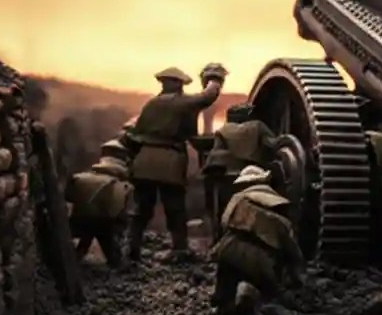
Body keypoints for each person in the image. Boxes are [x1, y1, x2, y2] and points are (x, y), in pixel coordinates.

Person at [125, 64, 227, 262]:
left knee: (142, 209)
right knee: (175, 208)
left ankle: (132, 249)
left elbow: (135, 135)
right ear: (178, 84)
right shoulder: (180, 103)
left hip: (143, 162)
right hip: (168, 163)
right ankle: (179, 250)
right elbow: (208, 97)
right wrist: (215, 78)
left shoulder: (151, 105)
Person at [210, 166, 306, 315]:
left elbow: (223, 225)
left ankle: (223, 303)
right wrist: (297, 280)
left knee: (227, 276)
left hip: (228, 249)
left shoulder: (237, 200)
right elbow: (291, 250)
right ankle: (258, 306)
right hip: (260, 261)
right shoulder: (282, 210)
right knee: (269, 296)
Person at [202, 103, 279, 243]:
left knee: (224, 210)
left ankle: (220, 241)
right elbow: (274, 145)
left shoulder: (223, 130)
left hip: (226, 177)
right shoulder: (257, 126)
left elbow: (215, 155)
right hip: (252, 176)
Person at [64, 140, 132, 269]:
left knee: (87, 234)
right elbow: (119, 213)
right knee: (113, 254)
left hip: (79, 220)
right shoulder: (121, 186)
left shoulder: (79, 178)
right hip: (104, 224)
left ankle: (76, 257)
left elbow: (68, 199)